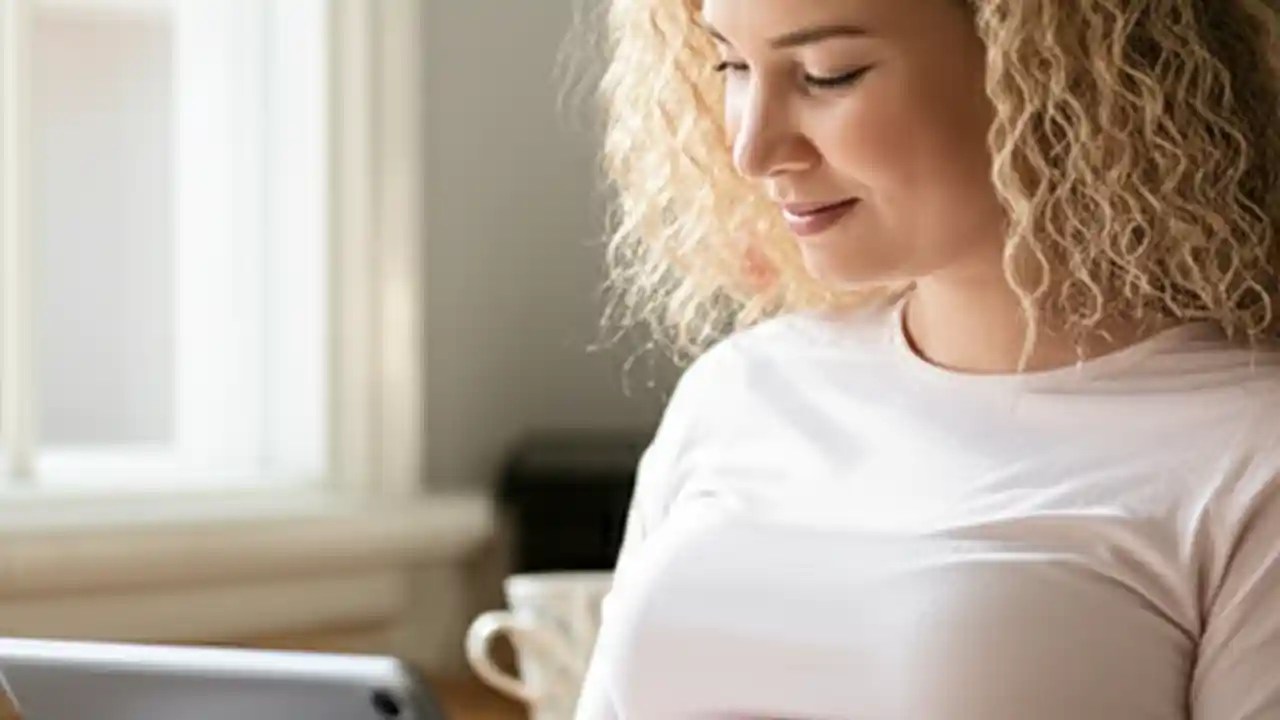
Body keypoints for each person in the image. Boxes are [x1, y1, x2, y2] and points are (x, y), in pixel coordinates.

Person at [575, 0, 1280, 718]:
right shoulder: (736, 393)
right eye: (731, 65)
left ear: (1043, 73)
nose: (752, 149)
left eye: (829, 74)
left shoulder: (1249, 455)